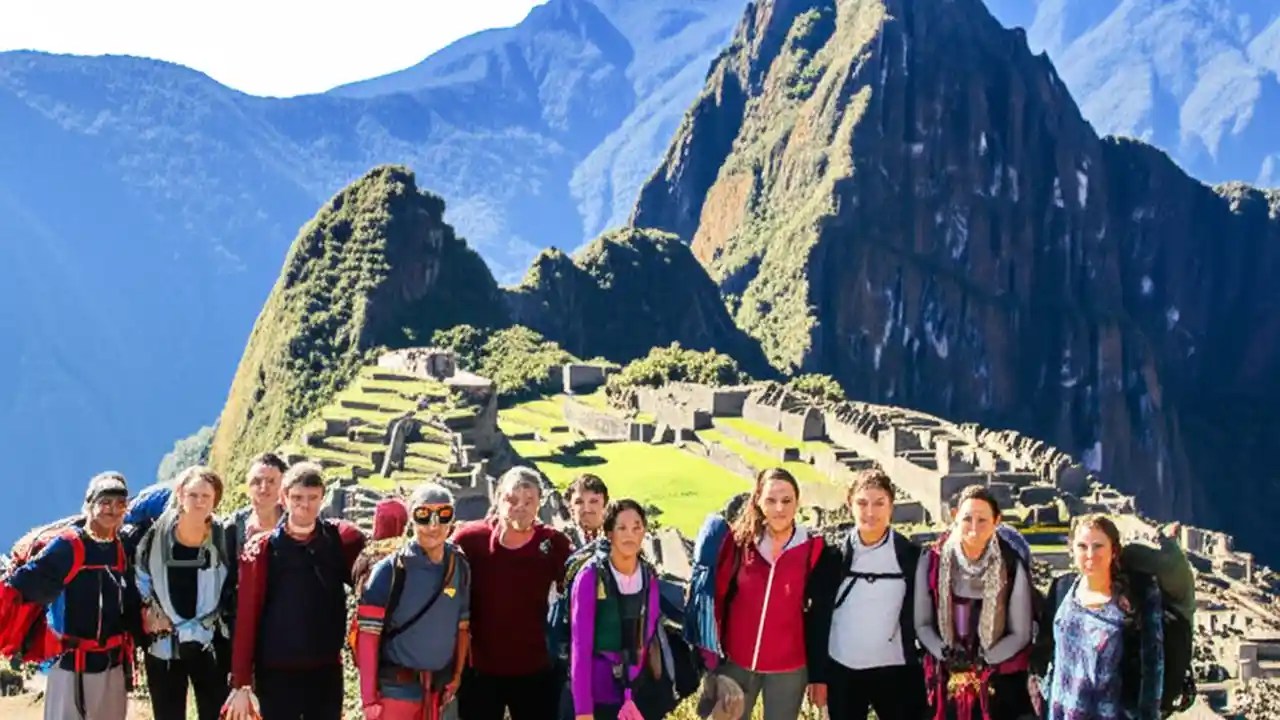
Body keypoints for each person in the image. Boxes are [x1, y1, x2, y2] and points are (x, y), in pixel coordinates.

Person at [223, 462, 367, 720]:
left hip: (325, 669)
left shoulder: (341, 541)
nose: (305, 504)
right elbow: (247, 616)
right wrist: (242, 681)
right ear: (284, 498)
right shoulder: (262, 551)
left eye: (312, 498)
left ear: (323, 497)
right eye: (297, 497)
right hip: (276, 671)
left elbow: (369, 578)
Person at [1, 472, 144, 720]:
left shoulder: (122, 548)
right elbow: (23, 585)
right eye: (105, 501)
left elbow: (129, 603)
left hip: (112, 667)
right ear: (89, 505)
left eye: (120, 503)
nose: (112, 509)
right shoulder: (68, 546)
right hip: (70, 668)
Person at [452, 466, 572, 720]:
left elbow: (577, 589)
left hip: (536, 669)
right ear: (498, 498)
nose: (521, 507)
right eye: (512, 499)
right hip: (480, 670)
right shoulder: (471, 540)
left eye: (529, 501)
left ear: (540, 503)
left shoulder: (554, 544)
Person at [709, 468, 828, 720]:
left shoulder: (813, 549)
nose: (779, 509)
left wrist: (819, 675)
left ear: (798, 503)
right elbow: (718, 597)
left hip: (789, 669)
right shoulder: (740, 543)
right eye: (771, 500)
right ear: (758, 501)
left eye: (787, 501)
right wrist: (711, 657)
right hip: (736, 662)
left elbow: (821, 617)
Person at [813, 469, 925, 720]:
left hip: (895, 671)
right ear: (850, 505)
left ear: (891, 507)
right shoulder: (832, 558)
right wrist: (818, 676)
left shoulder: (911, 558)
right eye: (862, 503)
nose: (870, 512)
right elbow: (818, 619)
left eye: (879, 503)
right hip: (842, 669)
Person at [915, 484, 1034, 720]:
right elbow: (923, 623)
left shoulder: (1010, 565)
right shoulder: (932, 561)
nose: (974, 527)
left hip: (996, 679)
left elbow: (1021, 632)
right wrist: (944, 652)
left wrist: (985, 659)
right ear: (954, 517)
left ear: (996, 521)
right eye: (967, 518)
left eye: (983, 520)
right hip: (943, 678)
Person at [355, 483, 471, 720]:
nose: (434, 525)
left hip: (441, 694)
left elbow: (462, 626)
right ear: (411, 518)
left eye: (443, 515)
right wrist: (368, 700)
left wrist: (457, 676)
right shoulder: (390, 570)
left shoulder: (459, 566)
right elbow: (368, 637)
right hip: (396, 692)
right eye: (424, 515)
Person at [1031, 514, 1163, 719]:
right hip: (1062, 711)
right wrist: (1047, 689)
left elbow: (1153, 667)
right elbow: (1045, 647)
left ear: (1114, 550)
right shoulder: (1061, 588)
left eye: (1098, 546)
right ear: (1072, 550)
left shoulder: (1137, 596)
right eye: (1082, 546)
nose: (1090, 554)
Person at [135, 466, 238, 720]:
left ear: (215, 499)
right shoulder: (155, 537)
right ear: (180, 495)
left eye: (206, 496)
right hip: (165, 643)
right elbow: (141, 575)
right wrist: (150, 609)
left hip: (211, 642)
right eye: (193, 495)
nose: (199, 501)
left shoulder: (225, 535)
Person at [568, 499, 667, 720]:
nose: (630, 534)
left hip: (635, 693)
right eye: (622, 528)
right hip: (598, 696)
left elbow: (646, 635)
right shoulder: (591, 577)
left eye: (636, 527)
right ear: (610, 533)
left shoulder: (648, 577)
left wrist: (630, 689)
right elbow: (580, 648)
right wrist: (583, 711)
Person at [228, 452, 287, 545]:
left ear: (283, 485)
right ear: (248, 485)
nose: (263, 488)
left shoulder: (298, 523)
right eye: (257, 481)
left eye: (271, 481)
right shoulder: (233, 526)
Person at [564, 474, 609, 549]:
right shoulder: (561, 542)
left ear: (605, 505)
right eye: (579, 502)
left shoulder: (618, 538)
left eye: (594, 501)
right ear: (570, 508)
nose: (586, 509)